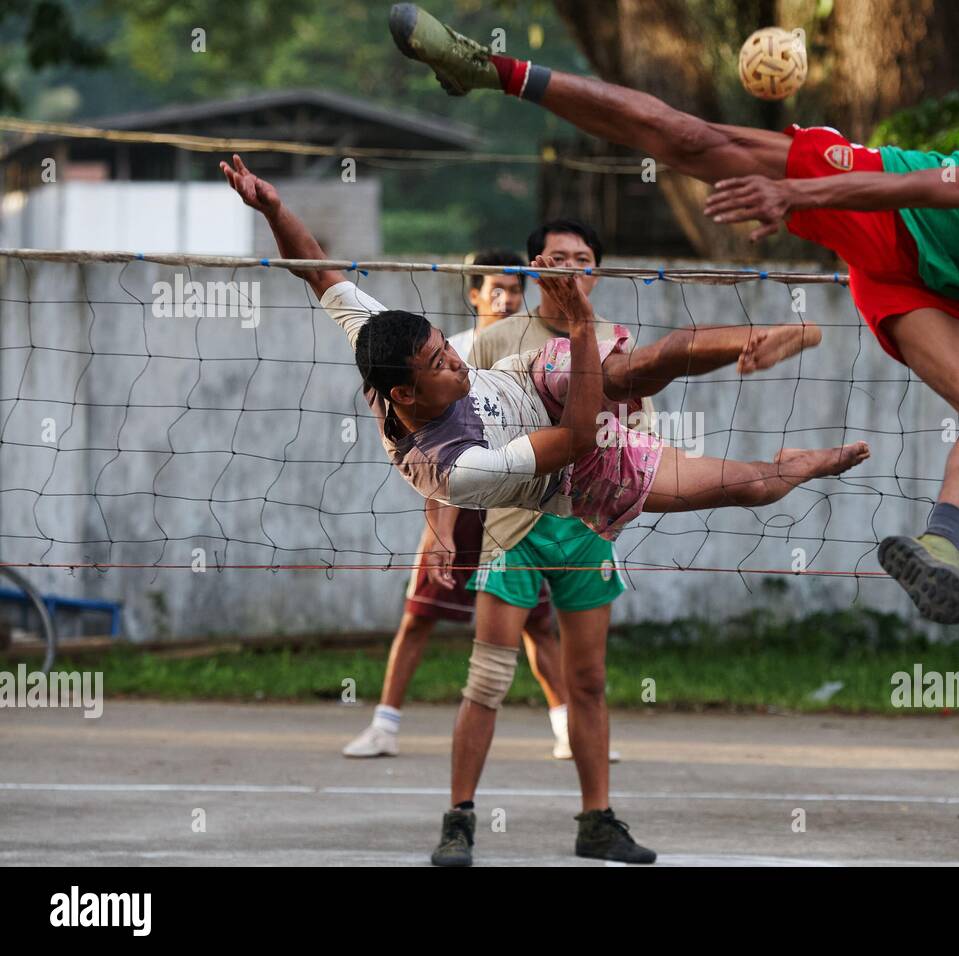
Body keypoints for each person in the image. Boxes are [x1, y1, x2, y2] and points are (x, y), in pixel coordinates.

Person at [388, 0, 959, 626]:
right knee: (696, 139)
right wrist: (800, 198)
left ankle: (939, 551)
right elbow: (918, 181)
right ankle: (494, 68)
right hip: (889, 210)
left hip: (927, 294)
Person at [221, 153, 868, 862]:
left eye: (447, 347)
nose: (458, 363)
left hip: (542, 383)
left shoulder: (384, 339)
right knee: (747, 486)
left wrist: (272, 207)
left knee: (633, 365)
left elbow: (317, 267)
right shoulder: (450, 466)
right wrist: (585, 335)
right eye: (441, 367)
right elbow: (575, 441)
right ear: (404, 397)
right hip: (571, 473)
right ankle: (459, 819)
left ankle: (751, 341)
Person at [433, 218, 649, 865]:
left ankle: (597, 822)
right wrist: (442, 524)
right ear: (534, 270)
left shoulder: (615, 342)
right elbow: (447, 436)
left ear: (596, 272)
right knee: (489, 677)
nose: (570, 268)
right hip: (513, 528)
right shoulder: (496, 339)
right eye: (556, 258)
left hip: (583, 530)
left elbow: (636, 441)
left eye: (582, 259)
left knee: (586, 681)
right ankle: (460, 820)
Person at [342, 250, 575, 760]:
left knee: (534, 620)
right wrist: (441, 529)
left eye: (515, 289)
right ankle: (385, 723)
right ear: (474, 295)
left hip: (513, 504)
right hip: (460, 499)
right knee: (420, 613)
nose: (507, 298)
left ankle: (565, 727)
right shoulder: (452, 354)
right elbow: (439, 459)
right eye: (497, 288)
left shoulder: (529, 351)